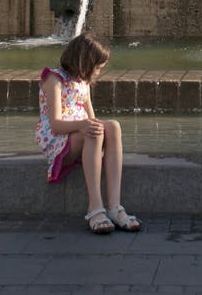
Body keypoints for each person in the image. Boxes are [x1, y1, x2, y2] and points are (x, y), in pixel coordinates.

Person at [35, 32, 141, 234]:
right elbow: (56, 125)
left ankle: (114, 206)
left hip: (82, 137)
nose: (98, 72)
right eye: (97, 67)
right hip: (58, 141)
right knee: (92, 131)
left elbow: (92, 118)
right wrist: (84, 125)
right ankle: (95, 208)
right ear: (85, 61)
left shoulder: (82, 83)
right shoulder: (54, 79)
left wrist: (93, 126)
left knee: (113, 126)